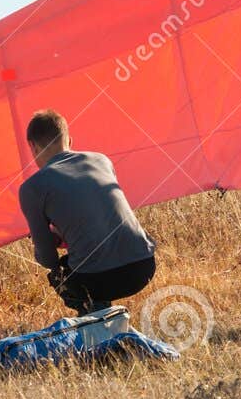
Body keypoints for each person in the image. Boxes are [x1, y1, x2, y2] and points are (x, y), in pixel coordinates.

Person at [17, 109, 156, 313]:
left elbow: (48, 259)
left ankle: (97, 319)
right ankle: (104, 316)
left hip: (98, 279)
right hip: (143, 266)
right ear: (69, 141)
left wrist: (46, 240)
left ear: (33, 146)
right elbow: (99, 214)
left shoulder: (32, 188)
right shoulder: (102, 161)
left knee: (59, 275)